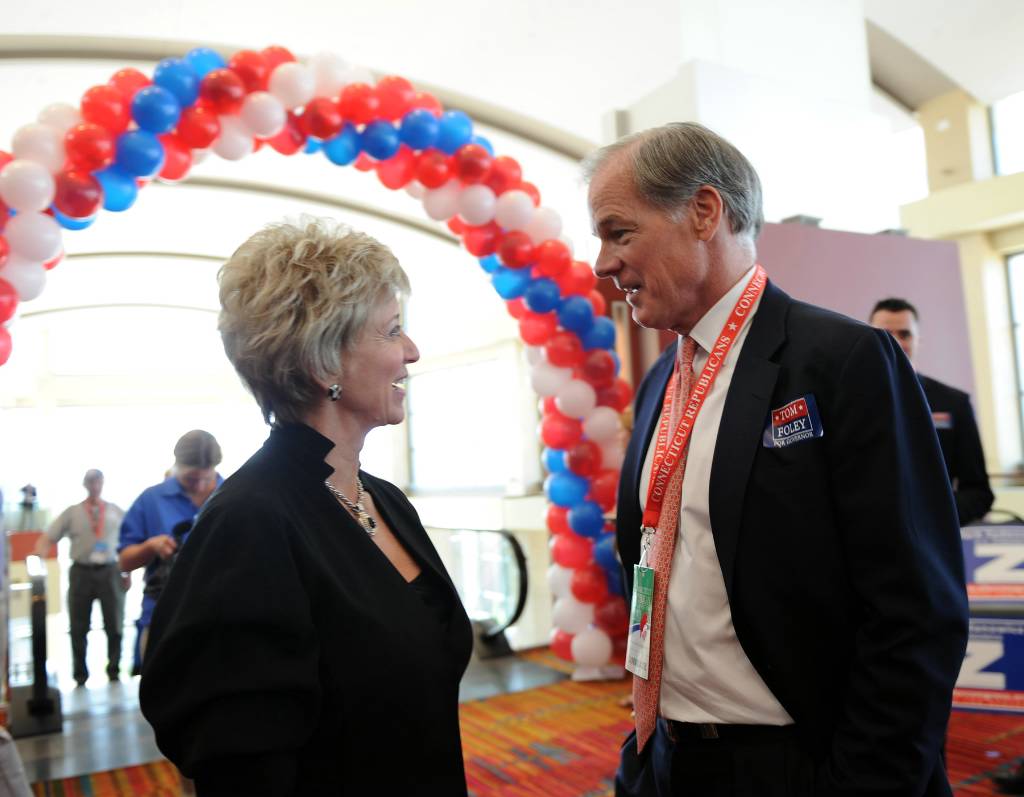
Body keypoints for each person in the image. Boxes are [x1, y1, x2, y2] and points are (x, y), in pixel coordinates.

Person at [585, 122, 968, 796]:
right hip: (669, 756)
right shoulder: (657, 385)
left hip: (797, 764)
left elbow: (917, 610)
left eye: (620, 232)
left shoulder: (844, 361)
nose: (602, 263)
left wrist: (864, 780)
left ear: (705, 211)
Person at [139, 218, 473, 796]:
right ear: (324, 365)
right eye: (393, 332)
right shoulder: (250, 523)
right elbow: (240, 765)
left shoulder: (382, 499)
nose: (412, 352)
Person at [870, 297, 994, 525]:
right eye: (886, 334)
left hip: (935, 542)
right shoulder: (846, 399)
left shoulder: (954, 404)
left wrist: (934, 519)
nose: (896, 342)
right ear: (869, 340)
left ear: (918, 340)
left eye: (905, 334)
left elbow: (978, 493)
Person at [118, 430, 223, 671]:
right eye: (189, 479)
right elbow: (124, 562)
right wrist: (151, 546)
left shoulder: (234, 496)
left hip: (220, 619)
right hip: (162, 617)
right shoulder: (151, 500)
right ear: (176, 465)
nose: (198, 486)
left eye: (205, 479)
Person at [35, 469, 127, 685]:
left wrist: (127, 571)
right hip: (81, 573)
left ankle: (114, 670)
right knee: (78, 626)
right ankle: (80, 675)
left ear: (103, 483)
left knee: (115, 624)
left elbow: (129, 541)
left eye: (98, 482)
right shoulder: (72, 512)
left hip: (110, 571)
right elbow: (48, 537)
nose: (95, 486)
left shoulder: (115, 511)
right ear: (85, 484)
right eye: (91, 482)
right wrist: (38, 557)